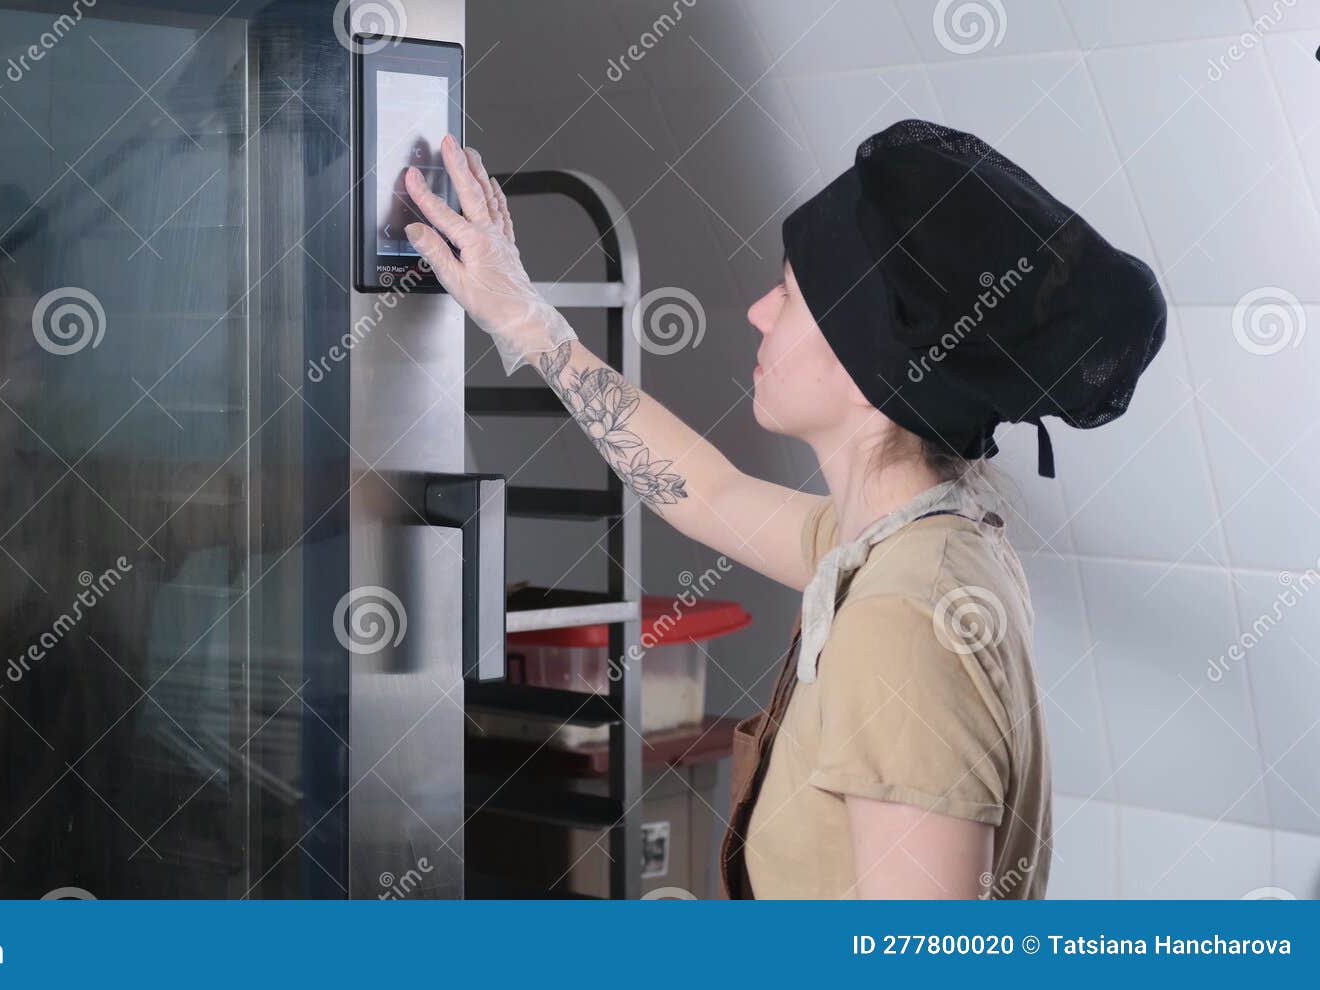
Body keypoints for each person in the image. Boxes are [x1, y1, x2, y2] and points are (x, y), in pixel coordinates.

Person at [402, 120, 1165, 898]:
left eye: (791, 296)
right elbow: (709, 492)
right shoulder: (906, 545)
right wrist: (528, 319)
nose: (760, 313)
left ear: (868, 359)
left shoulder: (904, 616)